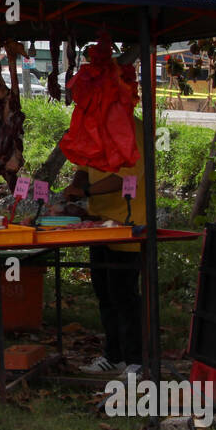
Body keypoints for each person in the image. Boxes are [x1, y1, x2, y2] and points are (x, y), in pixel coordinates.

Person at [65, 119, 147, 376]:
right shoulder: (93, 127)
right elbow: (84, 167)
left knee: (124, 294)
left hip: (129, 222)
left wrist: (86, 191)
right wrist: (76, 185)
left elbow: (125, 177)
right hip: (99, 222)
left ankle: (136, 360)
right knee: (104, 293)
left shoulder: (132, 128)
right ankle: (114, 355)